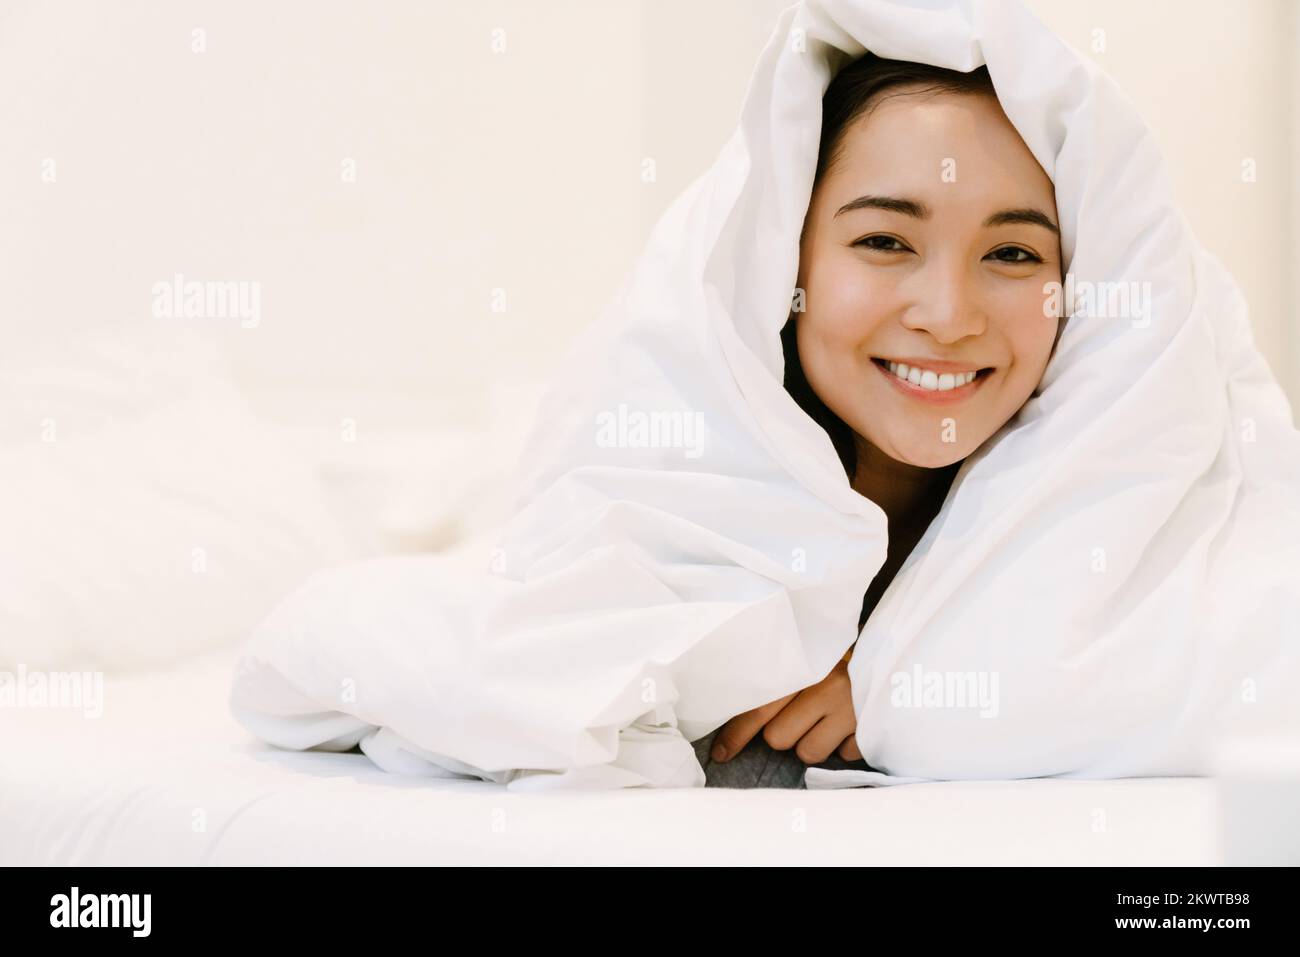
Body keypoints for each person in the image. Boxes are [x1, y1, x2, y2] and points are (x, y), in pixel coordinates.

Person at [700, 52, 1066, 787]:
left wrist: (912, 683)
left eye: (1013, 252)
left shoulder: (1104, 535)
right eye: (885, 241)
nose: (949, 316)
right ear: (785, 256)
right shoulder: (688, 508)